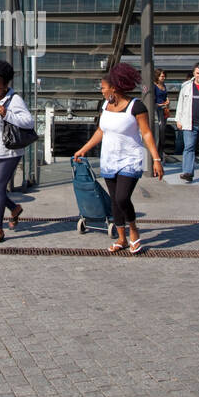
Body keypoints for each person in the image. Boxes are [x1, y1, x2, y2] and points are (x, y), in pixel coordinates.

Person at [72, 63, 163, 255]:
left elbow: (146, 133)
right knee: (115, 200)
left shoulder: (135, 106)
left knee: (122, 197)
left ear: (114, 88)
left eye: (103, 88)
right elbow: (101, 131)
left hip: (130, 159)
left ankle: (134, 230)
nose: (101, 91)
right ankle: (121, 238)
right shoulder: (105, 105)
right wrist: (83, 150)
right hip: (109, 158)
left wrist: (156, 159)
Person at [0, 60, 36, 245]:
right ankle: (14, 208)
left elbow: (29, 121)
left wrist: (7, 115)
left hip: (8, 152)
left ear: (6, 85)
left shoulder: (14, 99)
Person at [152, 69, 170, 152]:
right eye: (161, 76)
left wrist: (167, 101)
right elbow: (152, 100)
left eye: (164, 76)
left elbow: (165, 95)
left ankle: (161, 151)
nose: (163, 78)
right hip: (157, 109)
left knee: (162, 131)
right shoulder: (154, 86)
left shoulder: (163, 85)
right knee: (158, 130)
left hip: (163, 109)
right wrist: (160, 104)